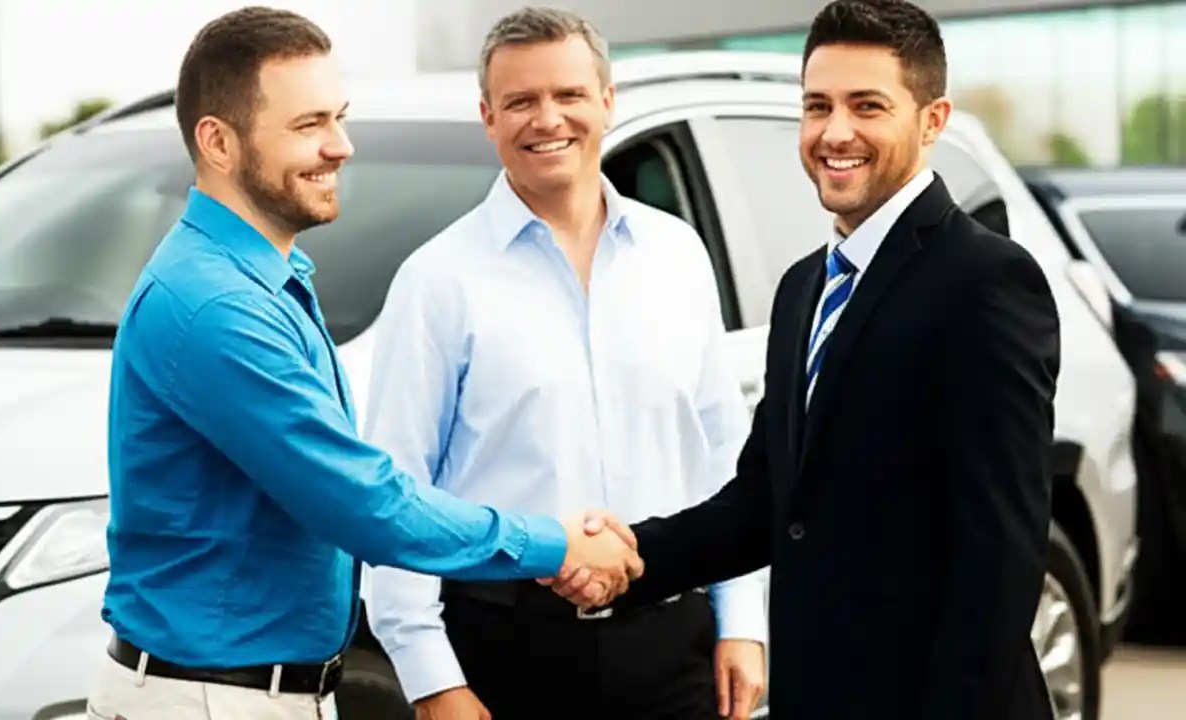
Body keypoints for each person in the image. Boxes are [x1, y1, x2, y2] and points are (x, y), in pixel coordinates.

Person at [84, 7, 640, 720]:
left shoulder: (262, 278)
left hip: (250, 693)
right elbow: (364, 503)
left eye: (339, 117)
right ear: (217, 142)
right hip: (210, 701)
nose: (341, 146)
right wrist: (556, 543)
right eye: (308, 124)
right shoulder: (215, 305)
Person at [556, 1, 1062, 719]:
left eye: (867, 106)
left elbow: (1001, 556)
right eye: (817, 105)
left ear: (933, 120)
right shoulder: (804, 288)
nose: (835, 132)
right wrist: (631, 556)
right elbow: (767, 504)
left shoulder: (986, 282)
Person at [363, 7, 768, 720]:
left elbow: (725, 460)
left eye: (569, 95)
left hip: (674, 648)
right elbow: (397, 499)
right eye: (520, 101)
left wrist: (741, 622)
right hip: (503, 652)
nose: (547, 119)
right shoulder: (437, 282)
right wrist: (432, 679)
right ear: (488, 117)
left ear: (607, 102)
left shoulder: (678, 257)